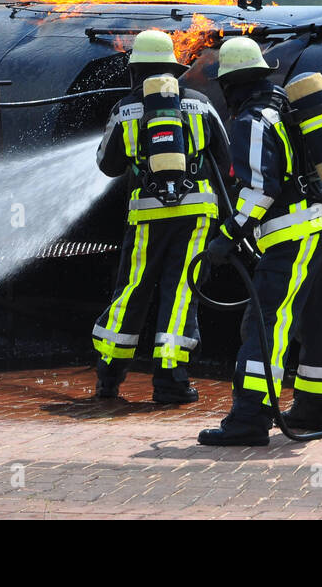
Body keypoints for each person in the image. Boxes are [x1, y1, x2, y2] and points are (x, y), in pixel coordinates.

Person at [198, 36, 322, 446]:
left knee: (267, 321)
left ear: (232, 84)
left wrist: (227, 237)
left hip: (295, 231)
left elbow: (260, 190)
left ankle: (249, 418)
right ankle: (315, 407)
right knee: (319, 321)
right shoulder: (286, 106)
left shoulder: (252, 120)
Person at [92, 28, 230, 403]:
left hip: (145, 216)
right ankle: (171, 382)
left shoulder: (125, 109)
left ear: (137, 70)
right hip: (197, 214)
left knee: (134, 289)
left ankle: (109, 377)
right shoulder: (201, 103)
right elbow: (226, 160)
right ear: (173, 67)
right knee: (182, 291)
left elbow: (108, 165)